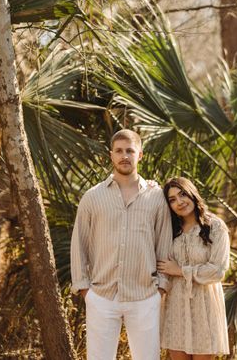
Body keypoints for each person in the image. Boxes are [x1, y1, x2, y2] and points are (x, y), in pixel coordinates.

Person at [70, 129, 172, 360]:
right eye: (119, 151)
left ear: (140, 155)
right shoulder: (92, 197)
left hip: (145, 295)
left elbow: (164, 242)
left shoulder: (157, 198)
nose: (124, 156)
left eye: (130, 151)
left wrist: (161, 288)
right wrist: (86, 290)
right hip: (102, 295)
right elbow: (79, 243)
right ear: (111, 155)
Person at [157, 177, 231, 360]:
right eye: (172, 199)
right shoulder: (170, 231)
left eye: (182, 194)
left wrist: (181, 270)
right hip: (175, 307)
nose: (179, 202)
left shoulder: (215, 226)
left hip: (204, 308)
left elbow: (218, 270)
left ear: (192, 193)